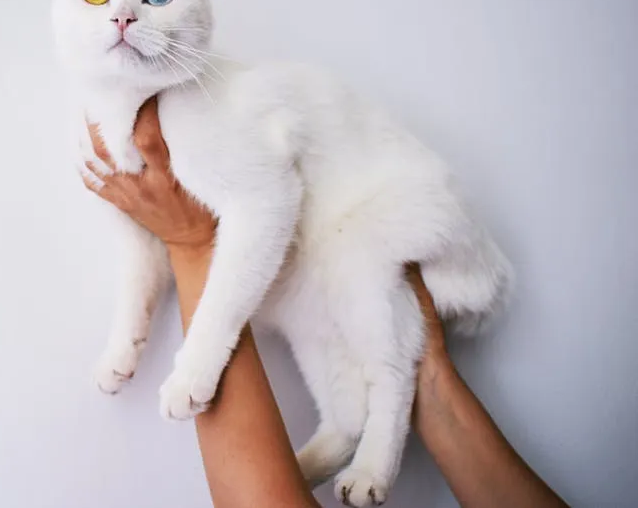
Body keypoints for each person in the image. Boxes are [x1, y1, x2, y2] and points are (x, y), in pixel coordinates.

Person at [81, 98, 570, 508]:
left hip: (381, 200)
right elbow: (142, 233)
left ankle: (380, 441)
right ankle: (340, 435)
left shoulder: (207, 110)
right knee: (308, 302)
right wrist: (128, 335)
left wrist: (191, 245)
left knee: (355, 271)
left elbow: (265, 196)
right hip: (325, 232)